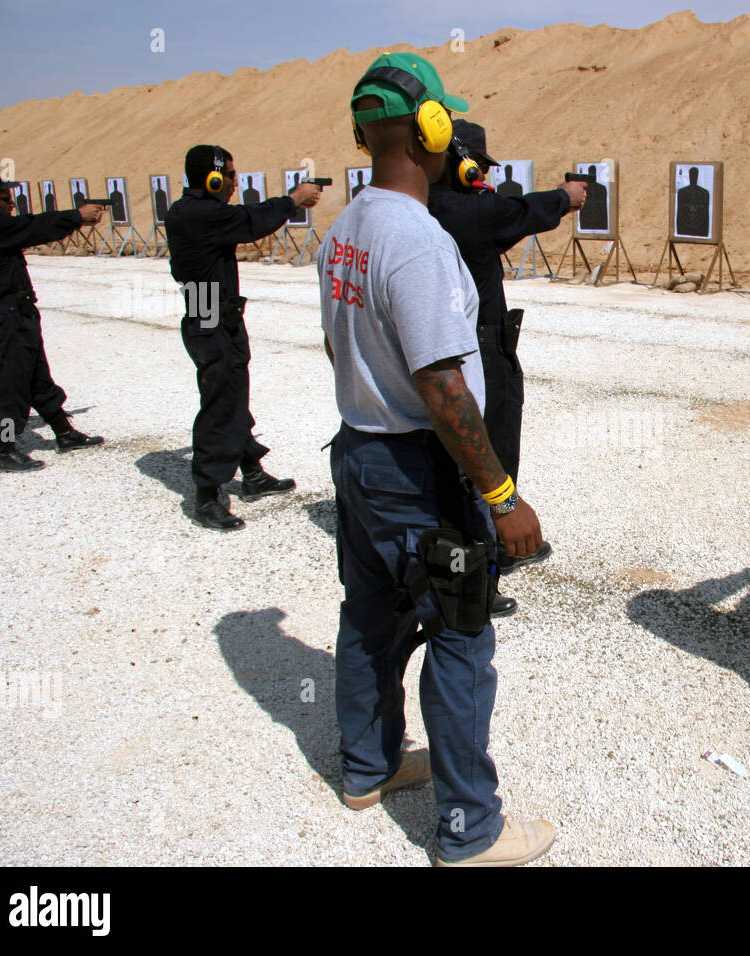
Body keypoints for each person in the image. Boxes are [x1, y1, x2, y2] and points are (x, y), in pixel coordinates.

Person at [321, 51, 554, 867]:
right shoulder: (414, 241)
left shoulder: (344, 227)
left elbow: (336, 346)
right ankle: (469, 830)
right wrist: (499, 493)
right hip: (420, 470)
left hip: (359, 456)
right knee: (461, 634)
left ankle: (367, 767)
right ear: (431, 128)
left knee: (370, 616)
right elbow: (441, 384)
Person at [428, 118, 583, 612]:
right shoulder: (465, 211)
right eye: (478, 168)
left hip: (459, 347)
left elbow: (497, 226)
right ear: (464, 164)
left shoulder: (425, 208)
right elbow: (521, 211)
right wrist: (566, 196)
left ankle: (491, 550)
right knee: (485, 458)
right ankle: (478, 576)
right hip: (480, 352)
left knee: (471, 460)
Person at [165, 145, 321, 530]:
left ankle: (251, 472)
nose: (236, 182)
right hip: (208, 316)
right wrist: (292, 201)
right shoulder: (198, 213)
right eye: (230, 175)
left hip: (220, 315)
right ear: (213, 177)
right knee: (220, 405)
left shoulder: (197, 212)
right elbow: (252, 221)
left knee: (234, 396)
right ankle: (206, 496)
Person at [0, 169, 107, 471]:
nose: (12, 203)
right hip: (8, 314)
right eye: (4, 198)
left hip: (20, 311)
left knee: (37, 377)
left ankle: (63, 433)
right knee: (9, 383)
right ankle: (4, 449)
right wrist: (76, 216)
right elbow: (37, 227)